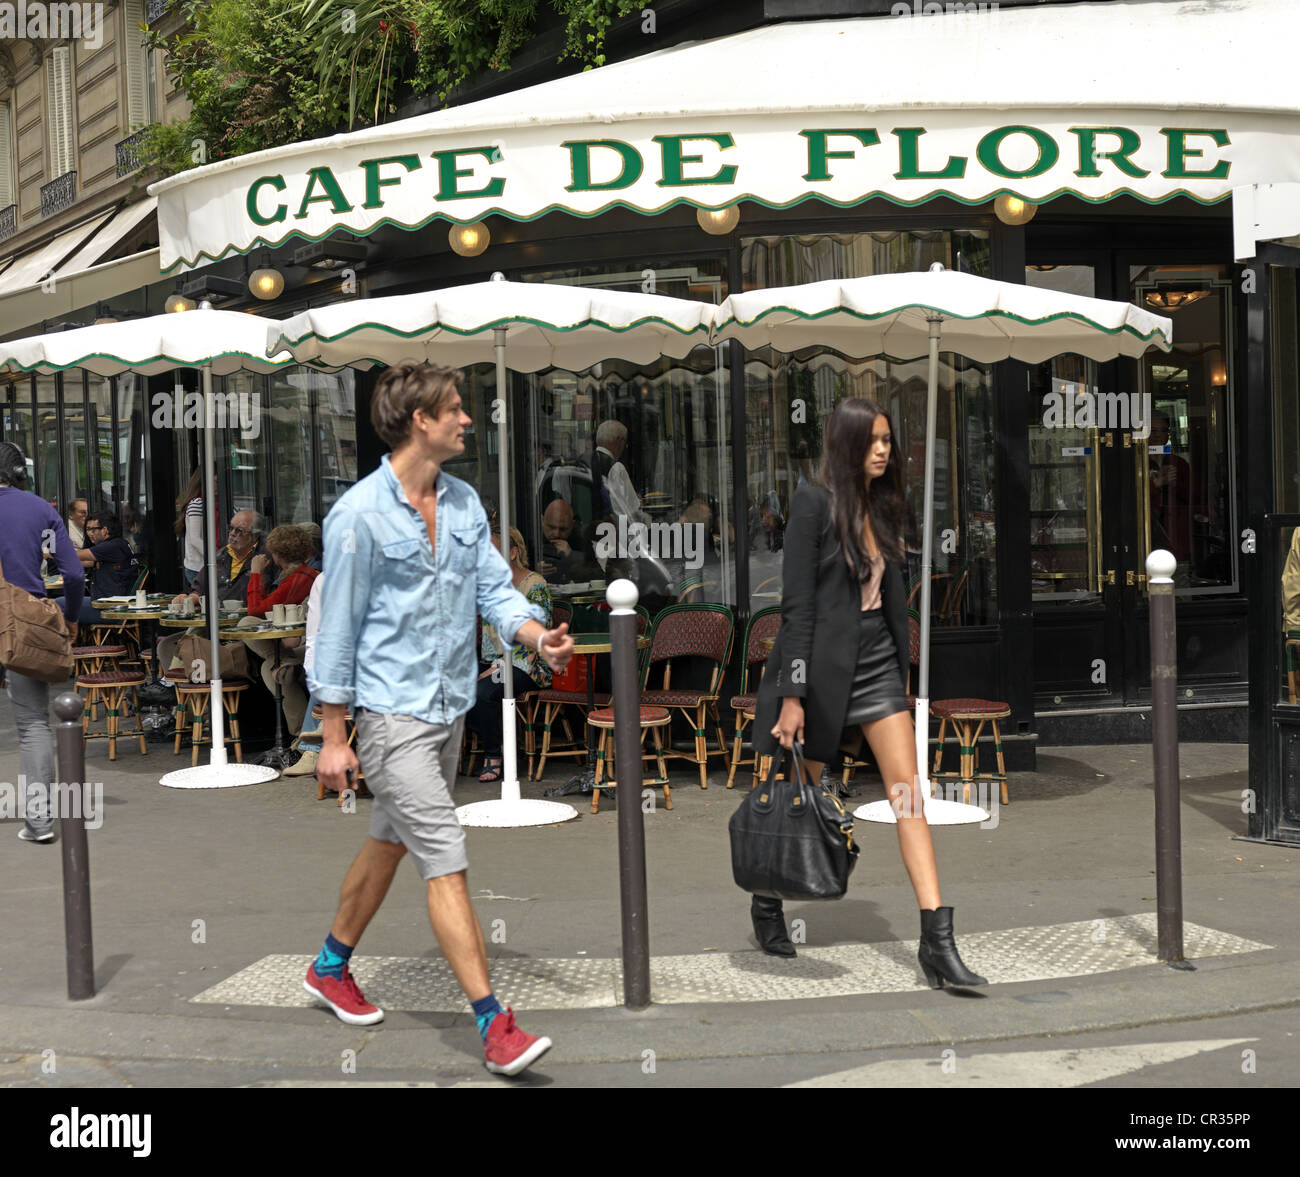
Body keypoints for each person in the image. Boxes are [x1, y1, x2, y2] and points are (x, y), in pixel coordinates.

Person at [307, 362, 573, 1076]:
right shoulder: (359, 513)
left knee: (390, 843)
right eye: (454, 409)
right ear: (419, 420)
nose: (466, 419)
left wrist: (536, 635)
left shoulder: (463, 503)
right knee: (446, 857)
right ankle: (496, 1024)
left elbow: (496, 589)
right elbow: (336, 629)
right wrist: (334, 736)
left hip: (450, 708)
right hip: (392, 718)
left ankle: (329, 965)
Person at [751, 397, 986, 989]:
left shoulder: (884, 505)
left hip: (878, 666)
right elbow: (797, 607)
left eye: (888, 439)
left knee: (910, 798)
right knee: (796, 792)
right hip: (822, 670)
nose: (884, 449)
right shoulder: (811, 502)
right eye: (874, 439)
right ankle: (767, 899)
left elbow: (893, 600)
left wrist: (903, 672)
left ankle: (937, 941)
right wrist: (794, 694)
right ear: (847, 443)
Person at [0, 442, 85, 844]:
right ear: (18, 472)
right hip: (25, 624)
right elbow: (73, 572)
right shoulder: (39, 509)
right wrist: (68, 618)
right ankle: (40, 823)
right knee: (34, 724)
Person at [466, 526, 552, 782]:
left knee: (483, 692)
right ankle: (502, 740)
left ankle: (493, 754)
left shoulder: (534, 585)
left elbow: (537, 634)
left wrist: (500, 665)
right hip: (494, 662)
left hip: (528, 665)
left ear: (513, 552)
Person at [235, 525, 320, 736]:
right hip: (300, 646)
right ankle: (301, 735)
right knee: (271, 669)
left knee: (246, 623)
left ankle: (301, 732)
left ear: (279, 553)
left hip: (307, 650)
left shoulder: (299, 578)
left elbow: (256, 611)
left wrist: (255, 573)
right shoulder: (297, 575)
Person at [66, 510, 138, 624]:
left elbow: (80, 555)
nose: (89, 533)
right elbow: (86, 562)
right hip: (112, 604)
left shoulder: (111, 546)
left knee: (57, 605)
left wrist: (51, 553)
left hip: (112, 609)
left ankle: (64, 640)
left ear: (104, 530)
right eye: (87, 529)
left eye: (92, 529)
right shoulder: (119, 544)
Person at [1148, 411, 1196, 568]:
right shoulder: (1136, 463)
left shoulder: (1179, 464)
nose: (1157, 435)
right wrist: (1156, 484)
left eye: (1163, 431)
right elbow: (1130, 500)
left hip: (1175, 538)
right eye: (1152, 430)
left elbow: (1194, 497)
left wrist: (1176, 485)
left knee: (1180, 585)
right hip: (1146, 538)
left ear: (1168, 435)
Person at [537, 498, 584, 582]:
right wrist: (534, 571)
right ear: (542, 521)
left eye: (563, 529)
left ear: (572, 525)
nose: (557, 534)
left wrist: (571, 555)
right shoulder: (533, 538)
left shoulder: (579, 541)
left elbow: (593, 566)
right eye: (551, 527)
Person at [174, 469, 208, 581]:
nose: (218, 486)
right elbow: (195, 539)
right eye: (216, 482)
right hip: (199, 568)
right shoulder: (198, 503)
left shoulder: (203, 502)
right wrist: (215, 558)